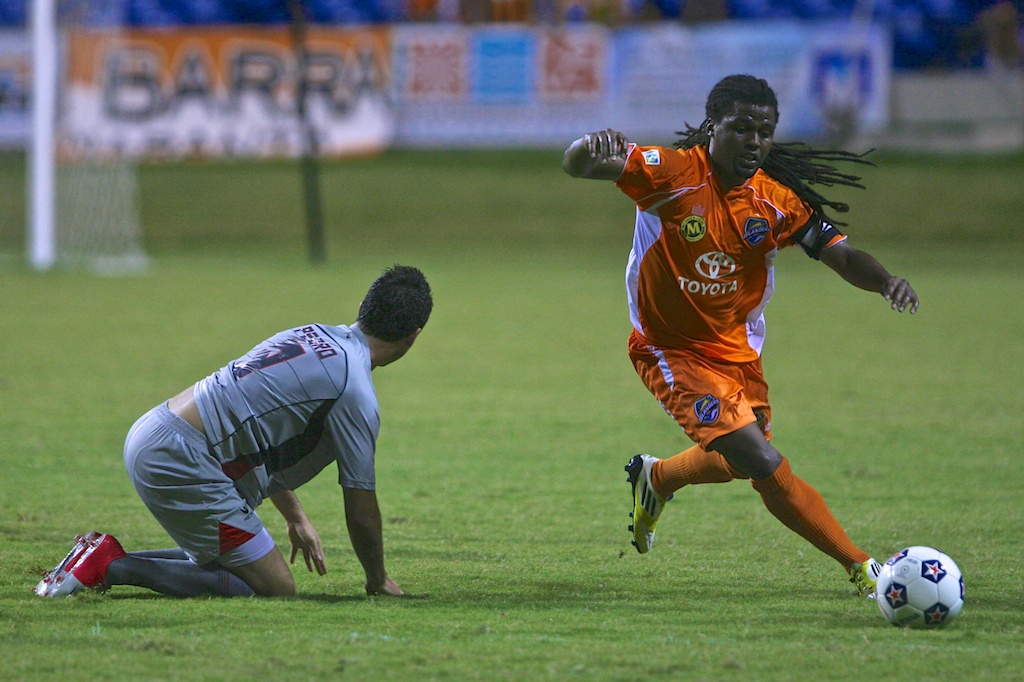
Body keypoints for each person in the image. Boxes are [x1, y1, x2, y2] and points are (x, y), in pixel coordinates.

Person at [561, 74, 920, 596]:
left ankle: (656, 477)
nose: (754, 140)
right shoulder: (672, 173)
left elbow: (838, 252)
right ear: (713, 127)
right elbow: (581, 165)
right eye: (742, 128)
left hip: (737, 352)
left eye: (765, 131)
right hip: (670, 350)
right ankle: (866, 569)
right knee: (762, 462)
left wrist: (886, 281)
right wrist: (584, 147)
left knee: (735, 461)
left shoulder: (775, 201)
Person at [35, 265, 432, 599]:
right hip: (183, 458)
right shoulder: (355, 391)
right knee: (274, 586)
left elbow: (256, 426)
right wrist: (377, 579)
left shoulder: (310, 334)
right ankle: (112, 567)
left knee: (223, 558)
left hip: (157, 429)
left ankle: (97, 553)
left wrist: (296, 517)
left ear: (365, 308)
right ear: (414, 333)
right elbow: (361, 506)